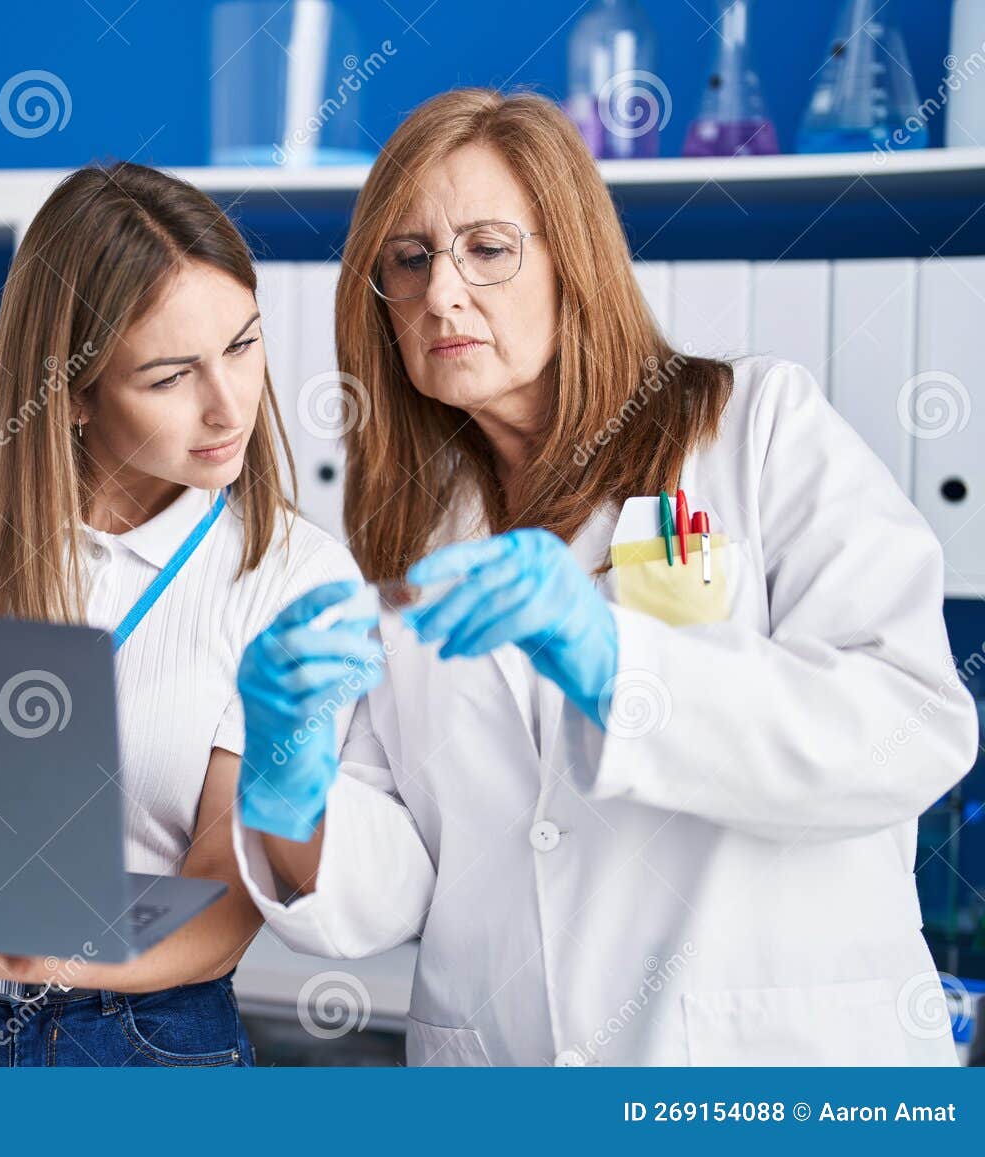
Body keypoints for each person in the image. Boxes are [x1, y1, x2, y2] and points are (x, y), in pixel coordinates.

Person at [233, 89, 978, 1066]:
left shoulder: (754, 429)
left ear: (571, 257)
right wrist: (291, 783)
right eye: (406, 260)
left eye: (486, 248)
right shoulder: (404, 533)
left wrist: (619, 664)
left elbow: (912, 727)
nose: (440, 294)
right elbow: (398, 881)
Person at [0, 162, 362, 1067]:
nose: (230, 403)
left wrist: (40, 953)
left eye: (244, 345)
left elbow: (222, 897)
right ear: (74, 393)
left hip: (146, 1042)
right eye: (172, 374)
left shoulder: (296, 576)